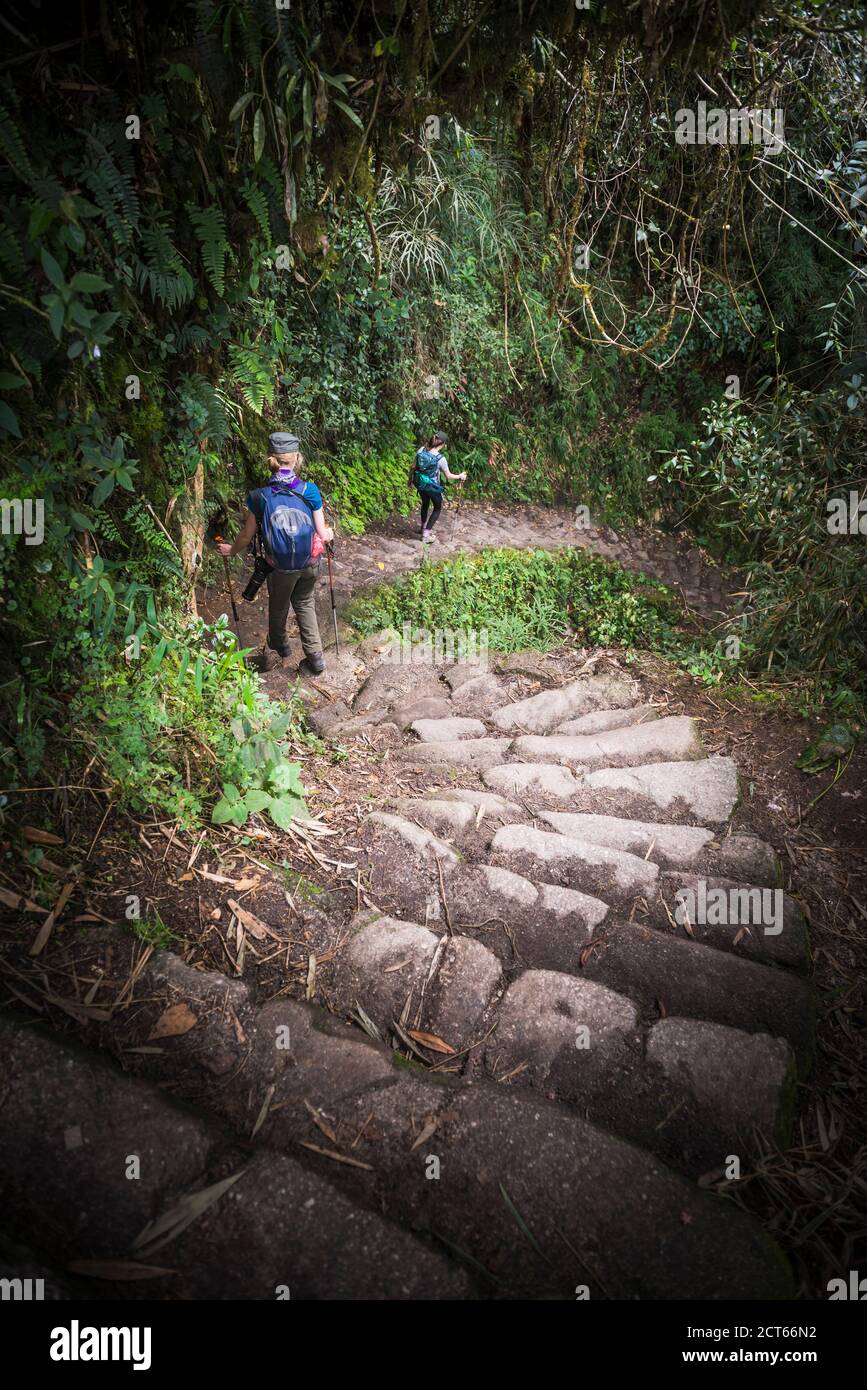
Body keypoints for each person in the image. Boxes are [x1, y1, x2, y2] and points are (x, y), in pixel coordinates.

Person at [217, 431, 334, 675]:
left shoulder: (259, 497)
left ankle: (280, 650)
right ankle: (316, 659)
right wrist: (330, 533)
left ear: (270, 459)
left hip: (281, 568)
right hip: (309, 562)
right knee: (304, 602)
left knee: (279, 608)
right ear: (297, 458)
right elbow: (322, 534)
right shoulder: (310, 491)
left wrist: (230, 550)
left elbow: (246, 536)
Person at [409, 430, 466, 542]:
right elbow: (448, 476)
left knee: (425, 504)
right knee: (437, 507)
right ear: (443, 444)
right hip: (433, 487)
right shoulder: (441, 459)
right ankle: (426, 535)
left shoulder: (421, 450)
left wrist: (410, 480)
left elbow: (414, 466)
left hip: (421, 484)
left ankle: (423, 528)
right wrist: (460, 476)